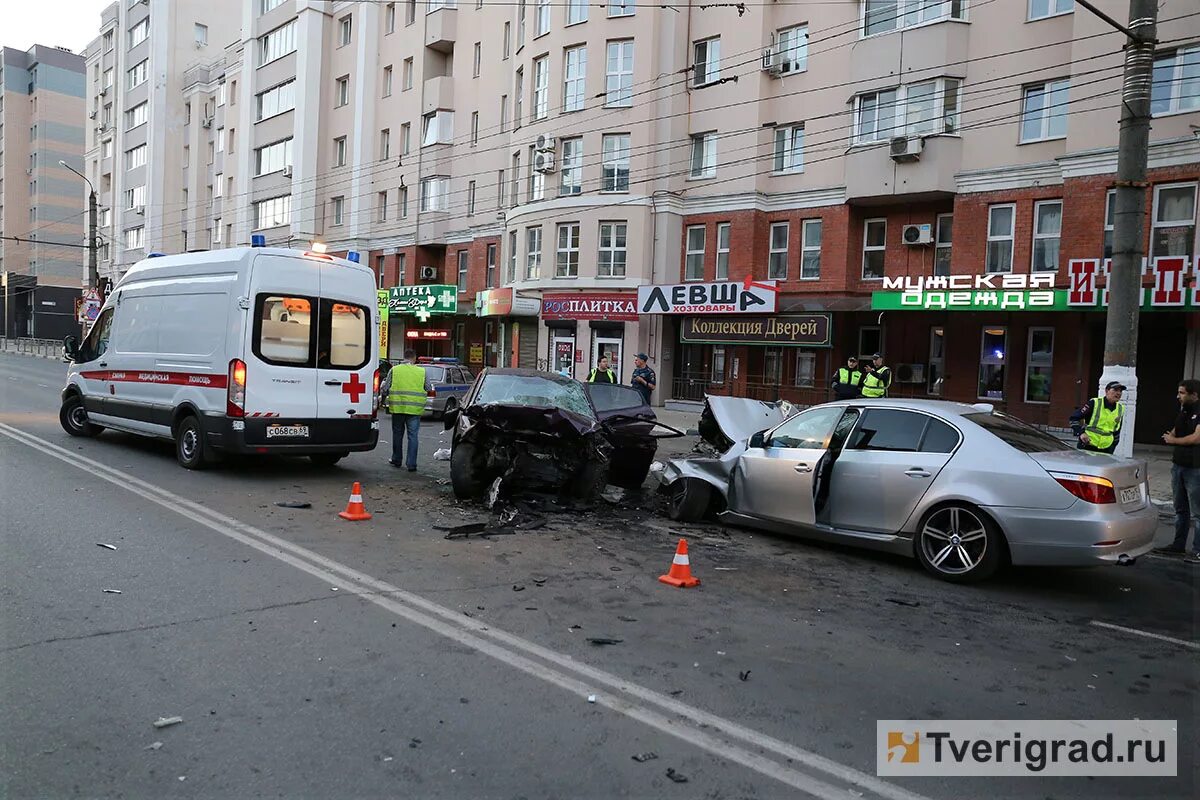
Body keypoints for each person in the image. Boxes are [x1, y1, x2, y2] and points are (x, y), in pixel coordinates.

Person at [1154, 379, 1200, 563]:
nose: (1178, 396)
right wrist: (1172, 435)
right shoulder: (1184, 410)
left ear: (1194, 395)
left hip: (1195, 468)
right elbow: (1176, 430)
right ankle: (1178, 546)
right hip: (1178, 465)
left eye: (1182, 393)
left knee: (1198, 511)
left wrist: (1174, 440)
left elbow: (1197, 438)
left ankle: (1198, 550)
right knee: (1180, 508)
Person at [380, 349, 432, 472]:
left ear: (404, 357)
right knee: (413, 436)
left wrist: (383, 400)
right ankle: (411, 464)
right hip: (414, 409)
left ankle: (396, 459)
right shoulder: (422, 371)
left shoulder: (394, 370)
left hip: (398, 408)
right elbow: (428, 388)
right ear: (414, 358)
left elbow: (385, 388)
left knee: (397, 435)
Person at [1069, 381, 1126, 455]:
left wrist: (1113, 445)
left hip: (1106, 449)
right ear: (1107, 391)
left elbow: (1117, 430)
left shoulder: (1120, 408)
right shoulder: (1094, 403)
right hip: (1087, 445)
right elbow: (1074, 419)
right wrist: (1081, 433)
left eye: (1120, 391)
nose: (1118, 393)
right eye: (1115, 390)